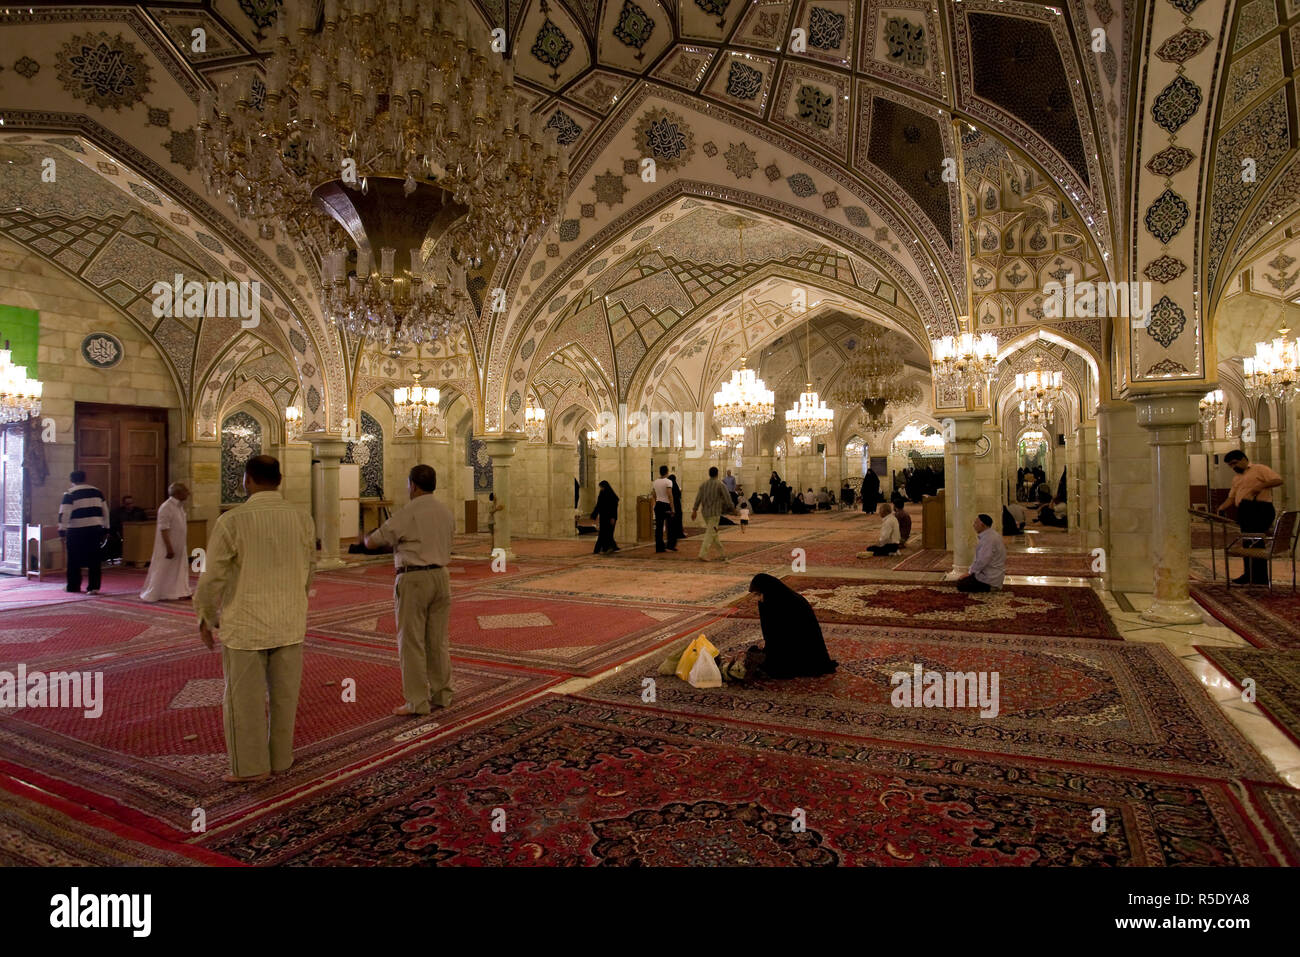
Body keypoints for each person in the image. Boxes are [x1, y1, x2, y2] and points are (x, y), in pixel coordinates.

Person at [194, 455, 315, 783]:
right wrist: (297, 601)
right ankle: (281, 759)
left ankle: (250, 767)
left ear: (247, 480)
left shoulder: (232, 520)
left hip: (246, 624)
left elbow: (211, 578)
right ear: (281, 478)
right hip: (290, 621)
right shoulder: (302, 518)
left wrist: (206, 617)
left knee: (243, 700)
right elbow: (309, 569)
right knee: (285, 696)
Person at [364, 464, 456, 715]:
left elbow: (375, 541)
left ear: (413, 485)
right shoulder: (445, 512)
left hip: (414, 579)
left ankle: (417, 701)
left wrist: (366, 538)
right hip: (441, 577)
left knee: (412, 641)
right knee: (437, 640)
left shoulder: (409, 512)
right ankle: (443, 694)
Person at [745, 574, 837, 678]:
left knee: (773, 669)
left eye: (759, 594)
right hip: (785, 644)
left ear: (768, 590)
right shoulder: (769, 600)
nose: (758, 598)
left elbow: (792, 636)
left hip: (802, 650)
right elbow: (770, 632)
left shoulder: (793, 603)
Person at [1218, 449, 1284, 584]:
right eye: (1230, 465)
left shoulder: (1259, 469)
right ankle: (1249, 575)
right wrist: (1221, 508)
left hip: (1260, 510)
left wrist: (1261, 486)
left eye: (1235, 463)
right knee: (1247, 542)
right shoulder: (1237, 478)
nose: (1233, 467)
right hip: (1245, 511)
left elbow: (1278, 480)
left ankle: (1260, 578)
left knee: (1256, 542)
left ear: (1243, 459)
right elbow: (1232, 497)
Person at [140, 483, 192, 602]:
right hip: (168, 546)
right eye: (186, 491)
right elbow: (163, 529)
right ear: (178, 493)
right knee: (163, 569)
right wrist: (169, 548)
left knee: (179, 569)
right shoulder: (166, 507)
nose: (188, 493)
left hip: (179, 545)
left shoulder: (179, 507)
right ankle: (159, 592)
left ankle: (179, 591)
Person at [58, 470, 108, 595]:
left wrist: (62, 530)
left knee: (74, 559)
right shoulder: (97, 492)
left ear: (72, 480)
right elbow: (105, 511)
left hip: (76, 530)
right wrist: (106, 528)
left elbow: (65, 513)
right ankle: (94, 587)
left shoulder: (70, 493)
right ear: (85, 478)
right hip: (95, 529)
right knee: (94, 559)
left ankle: (73, 586)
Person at [691, 466, 735, 562]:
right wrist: (733, 509)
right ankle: (702, 554)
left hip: (705, 513)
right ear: (717, 473)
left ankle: (723, 554)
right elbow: (728, 499)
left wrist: (694, 510)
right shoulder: (720, 485)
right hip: (714, 514)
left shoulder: (704, 485)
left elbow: (698, 498)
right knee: (710, 533)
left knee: (713, 533)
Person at [956, 514, 1006, 592]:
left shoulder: (988, 539)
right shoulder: (991, 535)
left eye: (976, 523)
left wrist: (970, 573)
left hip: (989, 578)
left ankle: (990, 587)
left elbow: (982, 560)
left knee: (961, 584)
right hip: (990, 574)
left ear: (982, 525)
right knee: (962, 580)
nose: (973, 525)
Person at [652, 465, 677, 553]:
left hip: (658, 505)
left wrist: (656, 503)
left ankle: (659, 547)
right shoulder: (668, 482)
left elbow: (654, 494)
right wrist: (672, 508)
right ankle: (670, 545)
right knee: (670, 526)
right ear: (667, 472)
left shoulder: (655, 482)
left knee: (659, 527)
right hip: (666, 505)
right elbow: (670, 495)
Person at [591, 480, 620, 554]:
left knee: (608, 533)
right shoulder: (602, 494)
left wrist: (613, 517)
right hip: (603, 517)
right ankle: (608, 547)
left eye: (602, 487)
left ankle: (601, 549)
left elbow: (614, 508)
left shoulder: (612, 496)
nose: (601, 489)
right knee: (604, 533)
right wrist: (594, 514)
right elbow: (598, 505)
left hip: (610, 517)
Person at [669, 473, 686, 541]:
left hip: (672, 505)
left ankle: (674, 534)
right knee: (678, 520)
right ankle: (679, 533)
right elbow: (679, 495)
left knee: (673, 521)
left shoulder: (670, 486)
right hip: (677, 505)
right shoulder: (675, 486)